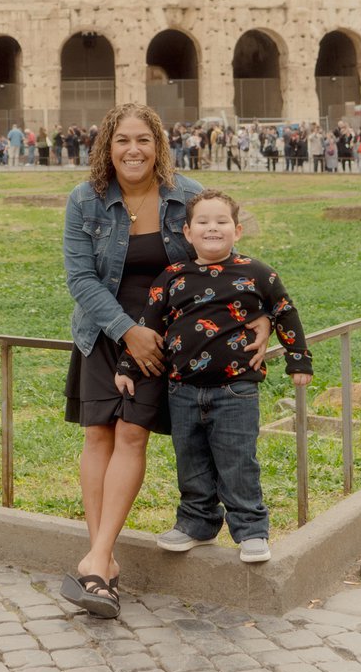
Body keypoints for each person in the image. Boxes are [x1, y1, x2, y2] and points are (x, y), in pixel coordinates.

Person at [60, 104, 270, 620]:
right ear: (107, 147)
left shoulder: (187, 195)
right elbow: (80, 278)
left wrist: (260, 312)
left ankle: (98, 563)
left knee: (131, 435)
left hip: (164, 338)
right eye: (122, 140)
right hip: (103, 330)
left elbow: (224, 252)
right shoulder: (85, 200)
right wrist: (126, 331)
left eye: (143, 140)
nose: (133, 150)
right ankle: (101, 560)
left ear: (159, 146)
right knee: (97, 436)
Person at [115, 189, 312, 566]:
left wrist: (298, 360)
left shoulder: (257, 273)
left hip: (236, 390)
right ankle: (197, 523)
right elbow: (149, 324)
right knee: (191, 463)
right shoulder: (171, 277)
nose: (212, 228)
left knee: (238, 462)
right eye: (203, 222)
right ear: (187, 233)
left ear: (237, 230)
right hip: (182, 389)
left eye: (222, 222)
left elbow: (285, 312)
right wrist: (127, 367)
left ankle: (251, 529)